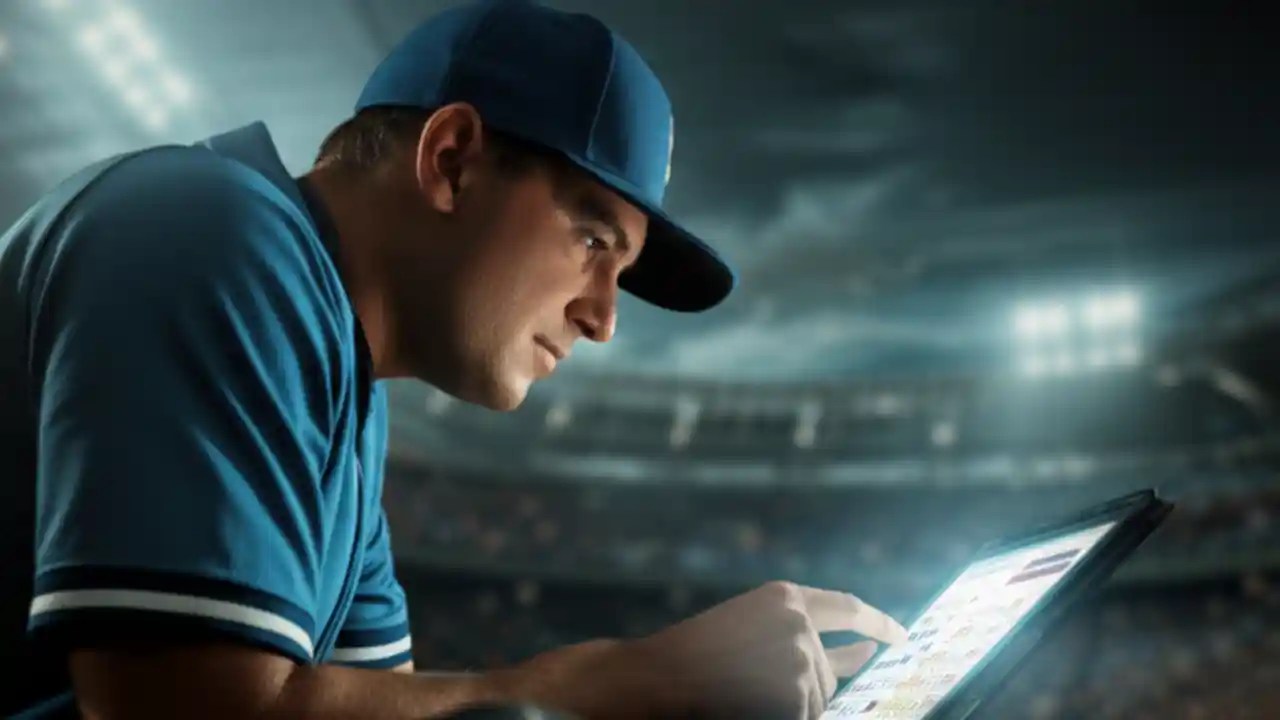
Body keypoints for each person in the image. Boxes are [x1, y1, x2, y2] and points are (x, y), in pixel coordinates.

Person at [0, 1, 908, 717]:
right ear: (452, 159)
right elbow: (179, 712)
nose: (603, 319)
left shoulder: (343, 392)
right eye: (595, 241)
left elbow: (371, 709)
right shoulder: (207, 228)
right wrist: (636, 681)